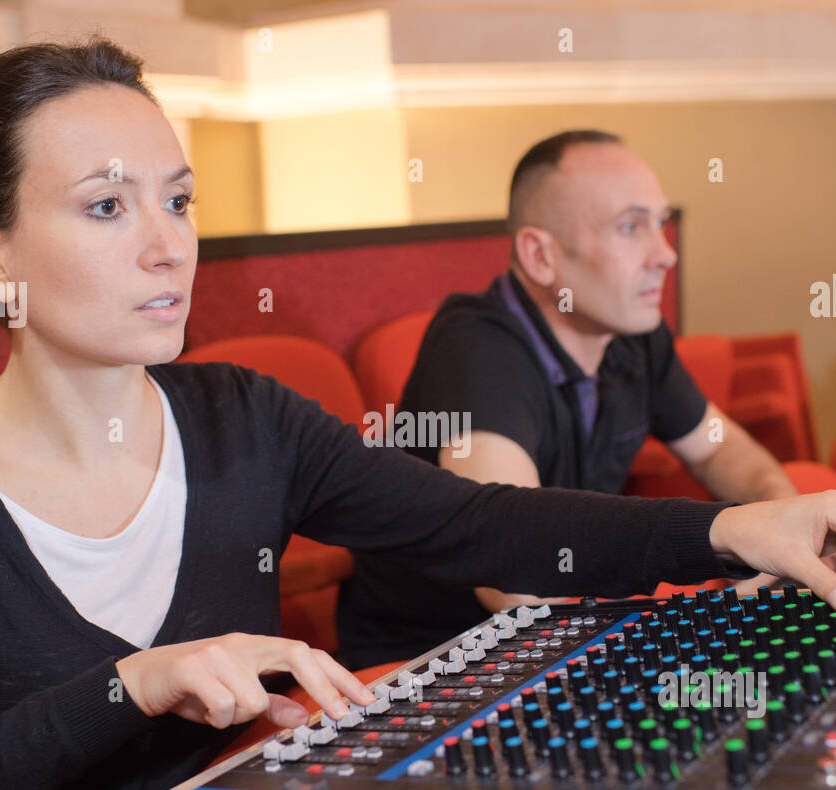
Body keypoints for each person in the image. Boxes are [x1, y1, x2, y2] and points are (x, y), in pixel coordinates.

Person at [0, 39, 836, 790]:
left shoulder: (245, 418)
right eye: (109, 209)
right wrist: (126, 686)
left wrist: (728, 527)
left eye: (177, 199)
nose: (170, 246)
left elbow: (481, 525)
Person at [337, 130, 803, 668]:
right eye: (631, 227)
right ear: (539, 256)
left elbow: (719, 449)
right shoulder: (475, 349)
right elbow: (513, 581)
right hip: (438, 661)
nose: (666, 254)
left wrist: (776, 533)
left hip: (564, 636)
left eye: (660, 223)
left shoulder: (631, 333)